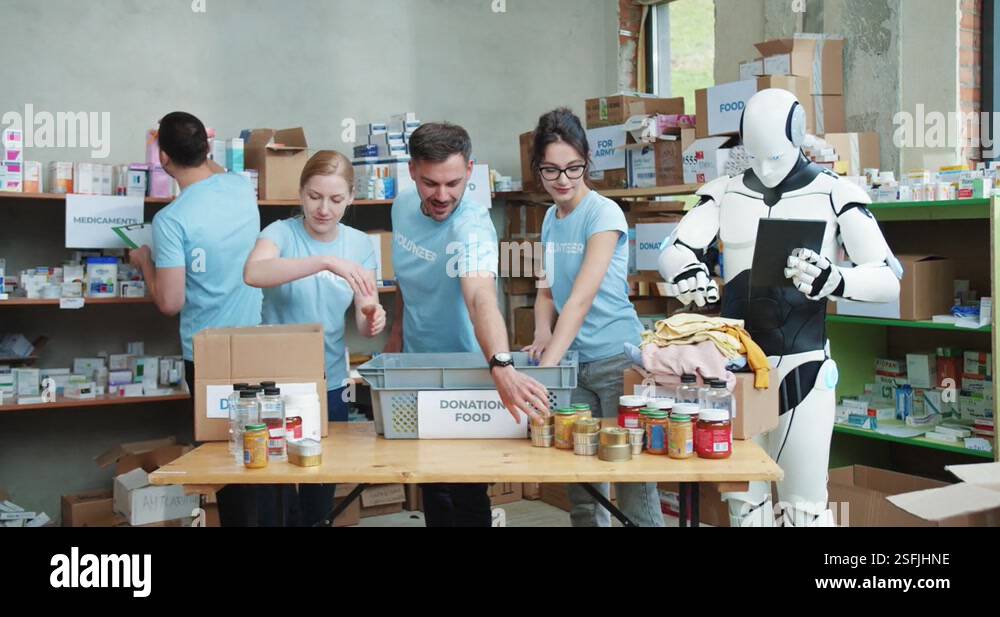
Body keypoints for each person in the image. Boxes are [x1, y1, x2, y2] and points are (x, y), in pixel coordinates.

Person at [658, 89, 901, 526]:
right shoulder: (724, 191)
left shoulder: (834, 192)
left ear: (797, 137)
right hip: (736, 369)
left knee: (803, 506)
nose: (766, 169)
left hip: (802, 365)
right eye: (757, 156)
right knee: (743, 504)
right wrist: (687, 271)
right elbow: (674, 248)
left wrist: (836, 278)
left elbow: (887, 277)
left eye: (775, 156)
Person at [385, 122, 550, 527]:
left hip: (465, 367)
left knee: (466, 484)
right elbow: (409, 278)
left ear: (470, 171)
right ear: (411, 172)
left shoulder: (471, 228)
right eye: (430, 183)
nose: (442, 195)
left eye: (454, 183)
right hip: (417, 362)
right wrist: (398, 331)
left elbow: (480, 298)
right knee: (431, 480)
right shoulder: (401, 207)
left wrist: (500, 362)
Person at [523, 108, 664, 528]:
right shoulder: (551, 217)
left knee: (633, 480)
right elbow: (546, 289)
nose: (562, 180)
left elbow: (581, 299)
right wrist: (542, 332)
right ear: (538, 169)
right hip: (573, 365)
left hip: (616, 360)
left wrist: (544, 372)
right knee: (582, 481)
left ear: (586, 160)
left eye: (572, 168)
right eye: (550, 170)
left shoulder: (603, 214)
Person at [129, 111, 263, 526]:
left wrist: (144, 262)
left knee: (223, 455)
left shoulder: (171, 220)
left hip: (207, 355)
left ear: (163, 158)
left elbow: (170, 301)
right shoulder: (239, 187)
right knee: (258, 451)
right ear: (207, 149)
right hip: (256, 344)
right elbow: (215, 170)